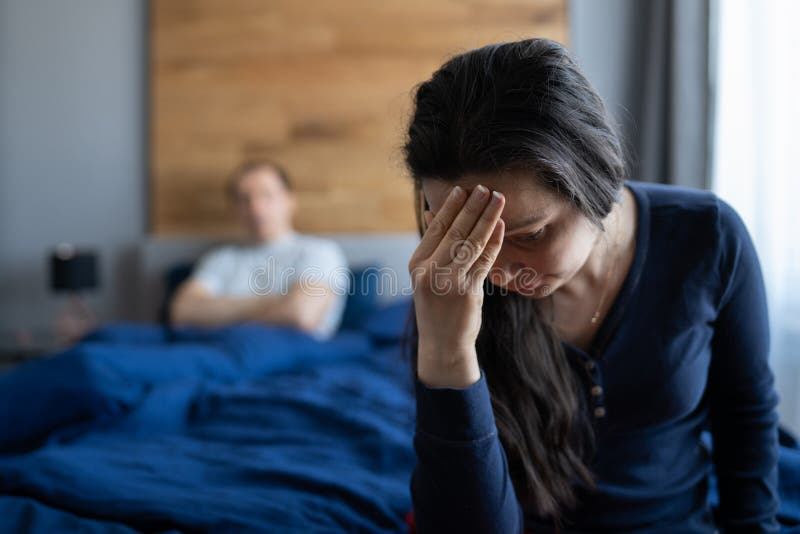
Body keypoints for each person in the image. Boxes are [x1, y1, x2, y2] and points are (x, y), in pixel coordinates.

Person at [404, 39, 779, 533]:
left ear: (596, 182)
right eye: (461, 233)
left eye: (530, 234)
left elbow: (746, 417)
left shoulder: (706, 238)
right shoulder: (450, 291)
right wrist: (449, 354)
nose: (493, 269)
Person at [170, 160, 349, 339]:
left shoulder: (319, 252)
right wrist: (275, 303)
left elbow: (300, 314)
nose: (255, 208)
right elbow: (182, 311)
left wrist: (218, 313)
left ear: (290, 200)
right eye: (244, 199)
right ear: (234, 209)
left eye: (267, 195)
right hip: (218, 347)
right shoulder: (221, 258)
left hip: (281, 350)